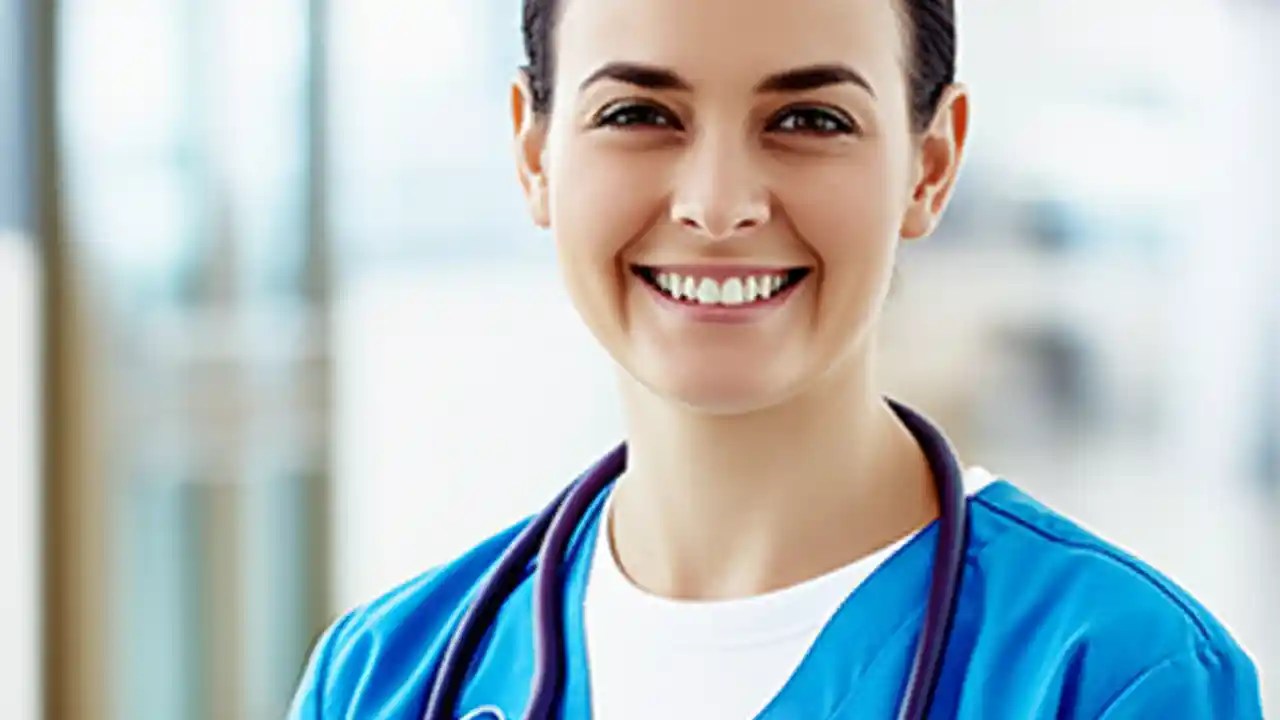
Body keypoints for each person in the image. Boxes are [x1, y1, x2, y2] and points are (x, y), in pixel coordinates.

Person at [288, 0, 1265, 717]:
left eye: (809, 121)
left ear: (929, 166)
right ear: (534, 153)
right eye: (637, 114)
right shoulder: (382, 678)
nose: (718, 206)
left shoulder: (1114, 676)